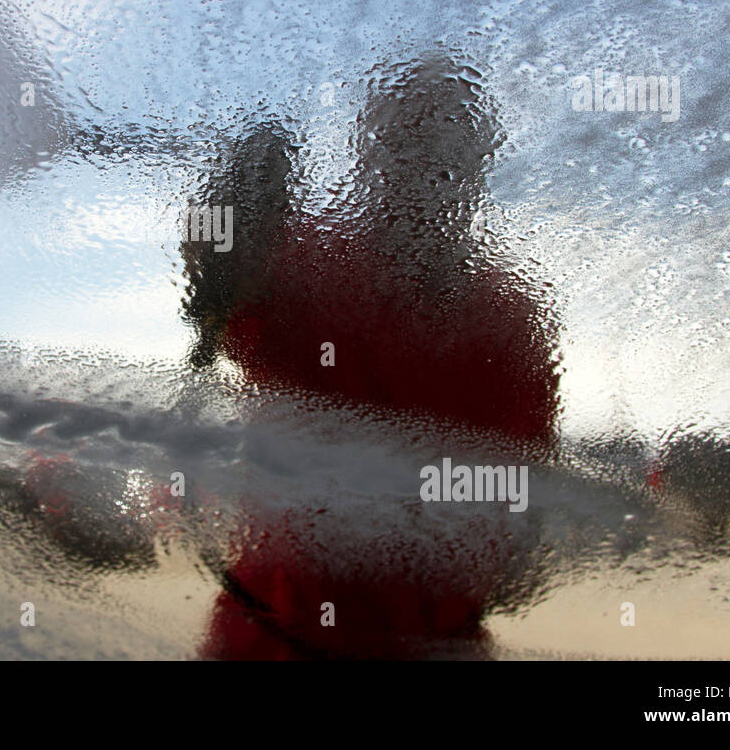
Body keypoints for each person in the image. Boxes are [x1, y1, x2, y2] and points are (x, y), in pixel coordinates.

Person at [182, 56, 561, 658]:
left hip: (435, 643)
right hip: (273, 632)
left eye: (446, 151)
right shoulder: (306, 262)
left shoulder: (512, 322)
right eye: (404, 146)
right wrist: (225, 207)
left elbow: (522, 493)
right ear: (371, 155)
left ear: (476, 167)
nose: (424, 174)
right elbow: (213, 300)